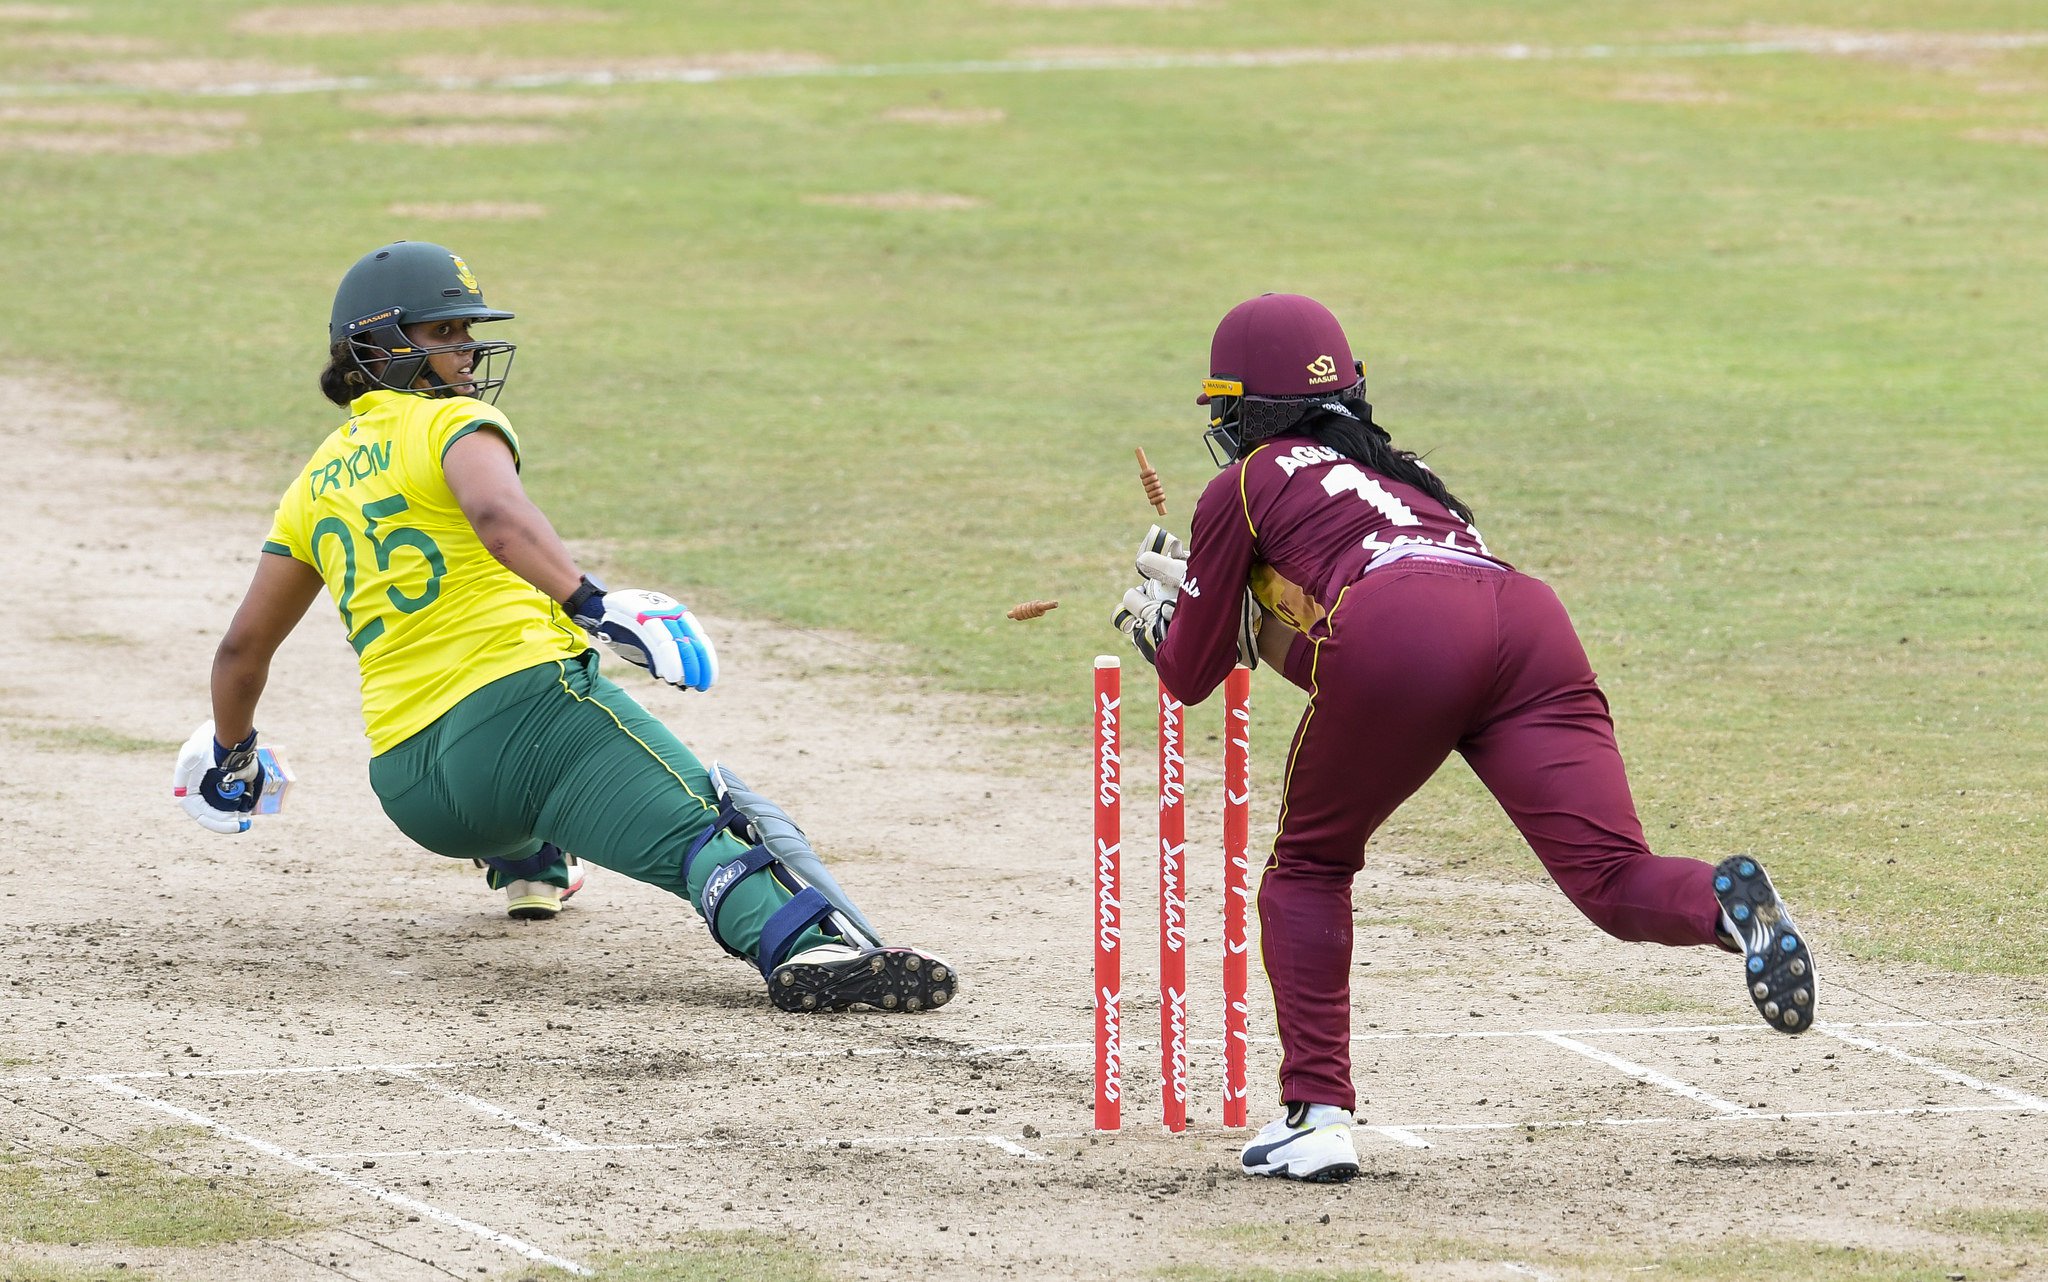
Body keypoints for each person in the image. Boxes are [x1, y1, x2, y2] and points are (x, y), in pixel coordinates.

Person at [1114, 293, 1815, 1182]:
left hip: (1402, 627)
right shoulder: (1409, 480)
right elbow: (1411, 667)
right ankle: (1724, 905)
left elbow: (1193, 673)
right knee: (1610, 876)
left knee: (1311, 869)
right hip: (1526, 622)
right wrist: (1274, 637)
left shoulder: (1246, 482)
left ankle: (1317, 1118)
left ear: (1246, 406)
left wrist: (1169, 632)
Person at [171, 240, 955, 1014]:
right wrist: (591, 602)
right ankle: (808, 948)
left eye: (467, 331)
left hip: (413, 787)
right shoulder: (453, 426)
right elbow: (497, 518)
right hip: (525, 717)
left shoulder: (310, 486)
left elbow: (244, 649)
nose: (468, 351)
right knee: (717, 820)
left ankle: (531, 867)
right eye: (444, 333)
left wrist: (233, 752)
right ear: (375, 345)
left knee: (524, 790)